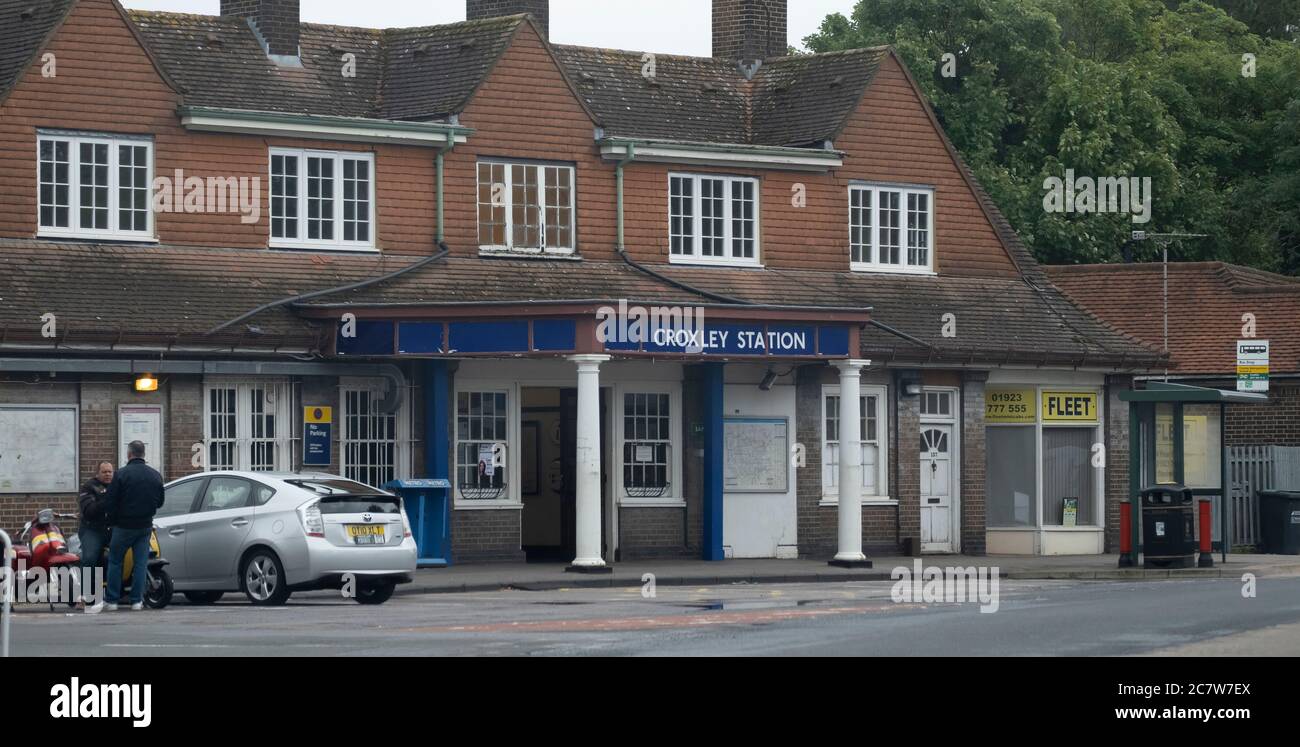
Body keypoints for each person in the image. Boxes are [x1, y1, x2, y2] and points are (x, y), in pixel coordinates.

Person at [90, 441, 164, 613]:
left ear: (129, 454)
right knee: (140, 563)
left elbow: (110, 501)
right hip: (145, 525)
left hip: (123, 526)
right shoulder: (155, 475)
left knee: (116, 561)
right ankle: (137, 601)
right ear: (143, 454)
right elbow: (160, 502)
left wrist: (113, 520)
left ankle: (113, 600)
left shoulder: (121, 475)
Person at [75, 461, 113, 611]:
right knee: (89, 558)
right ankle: (83, 596)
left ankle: (114, 595)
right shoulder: (89, 487)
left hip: (112, 529)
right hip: (92, 529)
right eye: (104, 472)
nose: (108, 474)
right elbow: (89, 510)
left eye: (110, 472)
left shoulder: (117, 486)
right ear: (98, 473)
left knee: (118, 557)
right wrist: (106, 499)